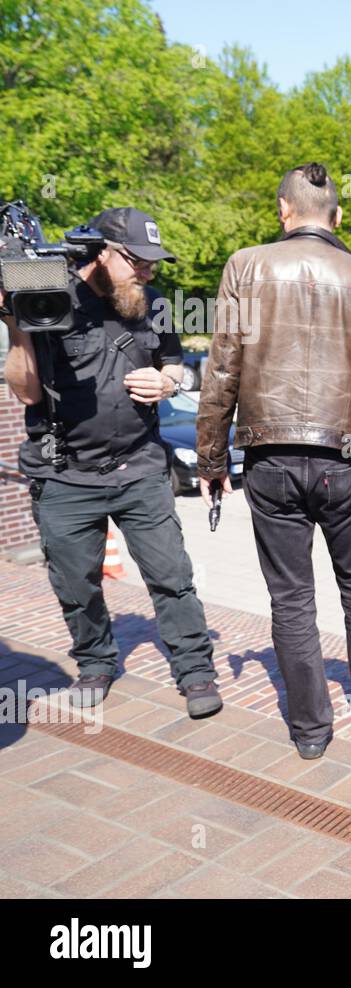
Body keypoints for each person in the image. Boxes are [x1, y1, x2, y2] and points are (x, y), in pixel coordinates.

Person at [195, 163, 351, 760]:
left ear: (282, 211)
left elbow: (221, 371)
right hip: (345, 460)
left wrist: (210, 457)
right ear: (337, 217)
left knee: (292, 598)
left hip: (269, 457)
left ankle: (311, 730)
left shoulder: (246, 265)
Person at [3, 207, 222, 717]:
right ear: (98, 253)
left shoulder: (155, 303)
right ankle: (96, 663)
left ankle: (194, 671)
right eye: (136, 260)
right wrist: (17, 327)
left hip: (140, 466)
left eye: (153, 262)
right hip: (65, 473)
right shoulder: (44, 291)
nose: (148, 271)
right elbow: (27, 391)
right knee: (76, 584)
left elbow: (174, 363)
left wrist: (169, 381)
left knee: (172, 576)